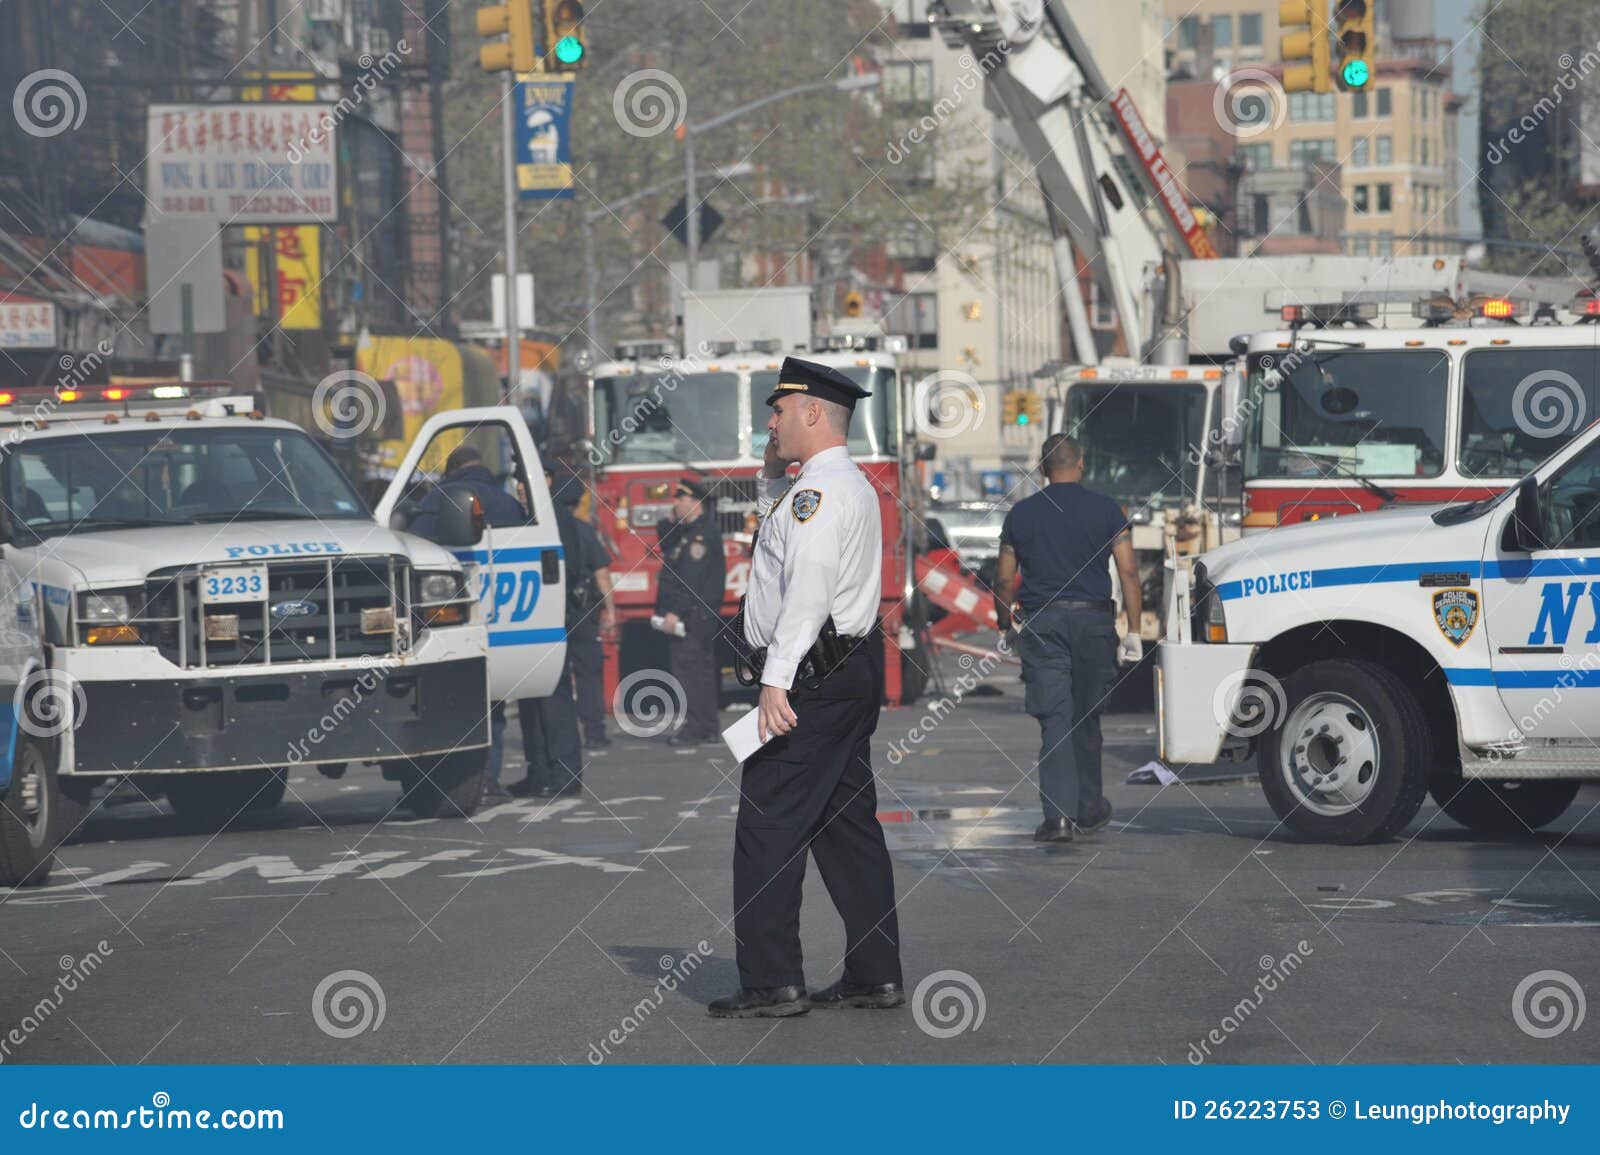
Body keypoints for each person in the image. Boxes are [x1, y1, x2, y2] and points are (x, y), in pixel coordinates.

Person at [708, 356, 903, 1020]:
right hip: (844, 673)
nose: (771, 421)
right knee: (846, 826)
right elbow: (784, 540)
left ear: (813, 412)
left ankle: (771, 981)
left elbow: (808, 588)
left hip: (809, 679)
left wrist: (774, 680)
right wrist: (767, 477)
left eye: (779, 409)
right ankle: (875, 974)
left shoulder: (818, 495)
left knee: (767, 827)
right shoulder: (829, 487)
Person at [992, 433, 1143, 844]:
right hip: (1095, 625)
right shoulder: (1107, 509)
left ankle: (1057, 818)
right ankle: (1089, 808)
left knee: (1055, 720)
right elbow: (1129, 572)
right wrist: (1134, 630)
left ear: (1042, 469)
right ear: (1080, 465)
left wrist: (1005, 623)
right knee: (1087, 717)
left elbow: (1005, 579)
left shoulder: (1021, 516)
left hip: (1043, 626)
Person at [407, 443, 528, 804]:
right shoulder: (507, 503)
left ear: (452, 469)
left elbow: (414, 544)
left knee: (444, 703)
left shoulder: (437, 500)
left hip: (448, 618)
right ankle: (489, 778)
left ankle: (442, 784)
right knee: (494, 700)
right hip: (507, 615)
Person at [511, 468, 610, 798]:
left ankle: (564, 774)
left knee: (556, 698)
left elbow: (566, 570)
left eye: (524, 481)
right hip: (537, 619)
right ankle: (540, 771)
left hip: (558, 615)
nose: (519, 488)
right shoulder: (536, 515)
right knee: (533, 699)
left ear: (546, 481)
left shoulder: (554, 518)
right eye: (518, 482)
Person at [655, 477, 727, 746]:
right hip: (699, 614)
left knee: (689, 670)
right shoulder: (689, 531)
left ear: (695, 502)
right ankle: (707, 725)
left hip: (693, 615)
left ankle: (696, 726)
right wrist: (670, 518)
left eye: (680, 499)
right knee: (702, 671)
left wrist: (675, 611)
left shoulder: (700, 535)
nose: (676, 503)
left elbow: (690, 579)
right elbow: (666, 540)